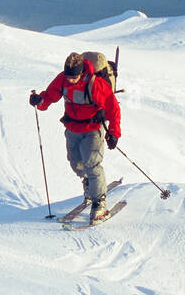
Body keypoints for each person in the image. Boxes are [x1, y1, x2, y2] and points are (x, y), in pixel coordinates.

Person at [29, 52, 122, 221]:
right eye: (69, 77)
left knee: (92, 164)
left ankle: (99, 201)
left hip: (93, 129)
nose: (71, 80)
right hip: (72, 128)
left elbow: (113, 109)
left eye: (74, 77)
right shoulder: (63, 79)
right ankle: (89, 183)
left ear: (82, 73)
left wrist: (114, 133)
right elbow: (49, 97)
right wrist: (39, 101)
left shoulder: (96, 84)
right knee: (76, 163)